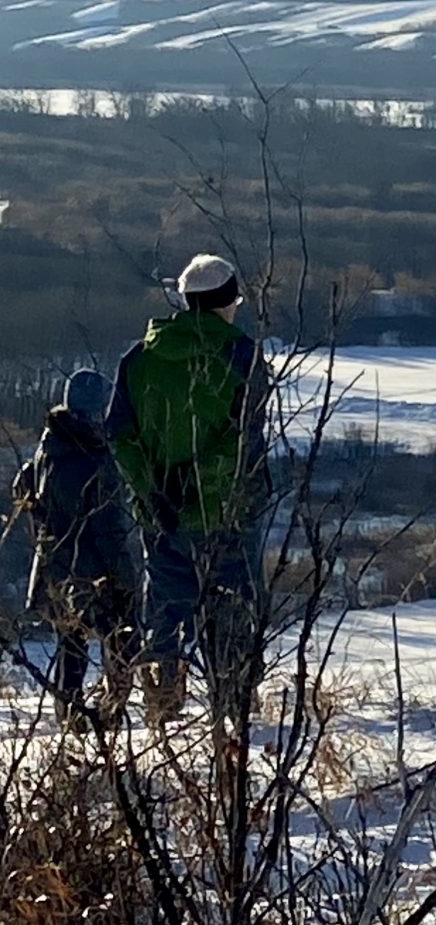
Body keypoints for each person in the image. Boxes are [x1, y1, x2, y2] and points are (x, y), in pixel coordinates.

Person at [109, 254, 270, 724]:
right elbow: (244, 438)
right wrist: (197, 480)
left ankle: (161, 706)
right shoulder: (242, 356)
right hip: (228, 514)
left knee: (164, 609)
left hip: (161, 517)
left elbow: (119, 433)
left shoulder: (139, 358)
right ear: (226, 303)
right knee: (235, 610)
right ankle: (234, 706)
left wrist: (154, 488)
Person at [12, 369, 137, 728]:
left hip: (54, 566)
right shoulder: (96, 463)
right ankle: (111, 714)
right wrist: (125, 580)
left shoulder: (50, 446)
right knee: (121, 639)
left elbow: (22, 486)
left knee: (71, 641)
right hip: (93, 572)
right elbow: (110, 531)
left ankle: (69, 712)